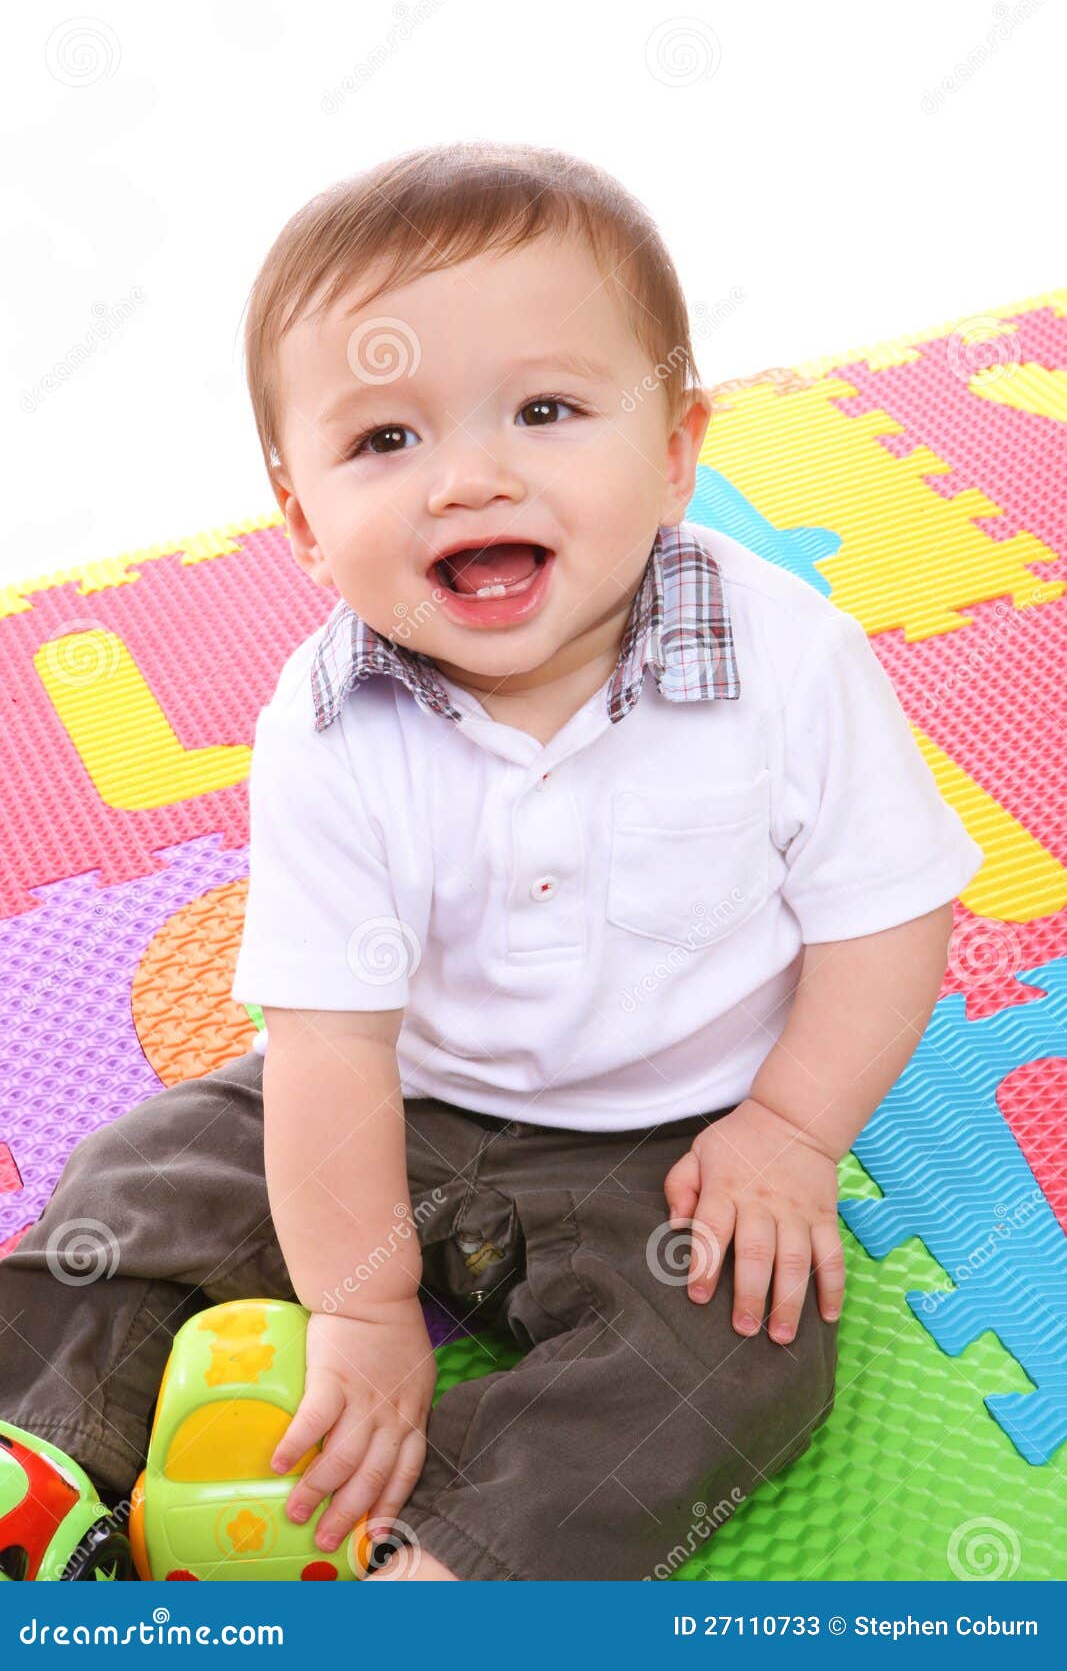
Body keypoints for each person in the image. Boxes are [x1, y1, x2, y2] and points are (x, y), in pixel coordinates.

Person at [0, 141, 984, 1581]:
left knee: (746, 1352)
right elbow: (329, 1041)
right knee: (140, 1180)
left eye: (544, 409)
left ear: (673, 450)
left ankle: (440, 1554)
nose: (470, 475)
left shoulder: (788, 666)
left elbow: (886, 920)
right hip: (388, 1091)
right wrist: (357, 1302)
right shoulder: (327, 726)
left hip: (666, 1142)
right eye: (385, 441)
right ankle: (40, 1448)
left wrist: (788, 1129)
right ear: (302, 520)